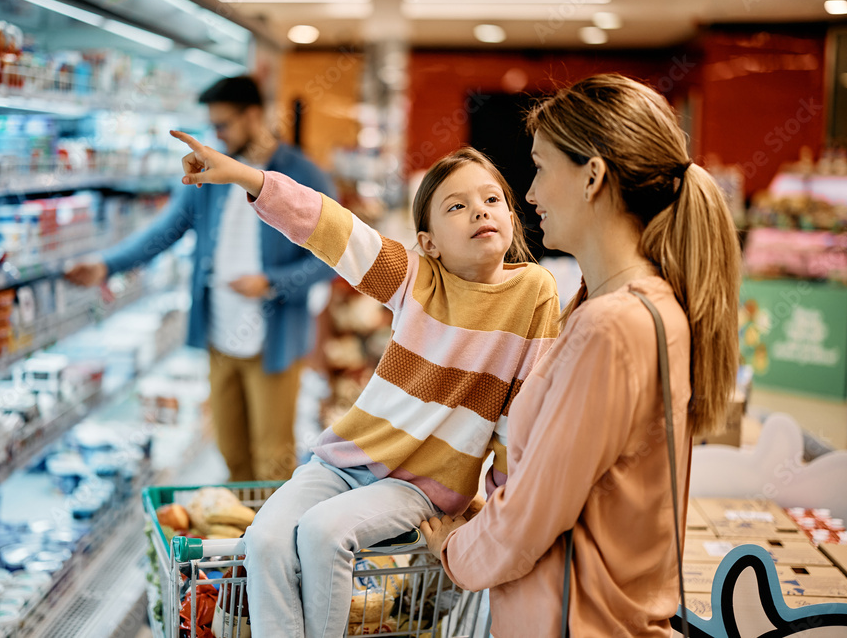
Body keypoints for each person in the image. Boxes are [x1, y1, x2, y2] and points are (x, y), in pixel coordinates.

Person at [169, 129, 562, 638]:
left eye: (492, 199)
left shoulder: (534, 292)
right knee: (262, 539)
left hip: (420, 486)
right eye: (456, 206)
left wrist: (499, 507)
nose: (480, 211)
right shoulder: (417, 281)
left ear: (511, 216)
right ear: (428, 243)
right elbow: (335, 231)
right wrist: (249, 177)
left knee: (322, 532)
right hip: (343, 460)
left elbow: (519, 416)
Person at [419, 73, 742, 637]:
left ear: (592, 176)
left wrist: (456, 549)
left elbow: (531, 519)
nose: (532, 193)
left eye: (541, 168)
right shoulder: (626, 305)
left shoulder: (612, 327)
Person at [65, 76, 335, 482]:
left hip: (273, 339)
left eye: (224, 125)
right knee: (230, 452)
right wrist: (106, 265)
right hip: (219, 335)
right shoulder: (213, 174)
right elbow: (166, 229)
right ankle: (245, 537)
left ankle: (272, 541)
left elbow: (331, 258)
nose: (217, 135)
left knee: (272, 457)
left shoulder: (302, 173)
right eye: (213, 126)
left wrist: (273, 282)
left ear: (254, 115)